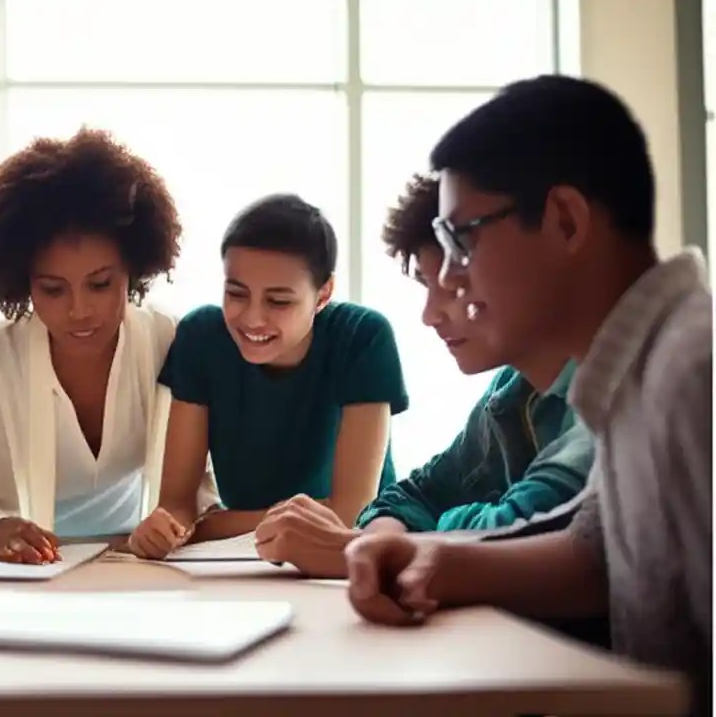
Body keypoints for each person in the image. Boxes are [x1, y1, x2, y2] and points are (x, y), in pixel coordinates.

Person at [343, 76, 711, 716]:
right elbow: (594, 557)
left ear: (565, 220)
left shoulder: (693, 370)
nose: (452, 277)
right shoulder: (632, 370)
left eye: (462, 239)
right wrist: (432, 561)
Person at [252, 174, 593, 578]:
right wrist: (377, 545)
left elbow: (526, 530)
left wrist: (363, 551)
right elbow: (411, 496)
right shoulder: (512, 391)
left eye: (456, 284)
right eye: (430, 285)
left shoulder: (613, 393)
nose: (430, 315)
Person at [0, 127, 218, 564]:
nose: (79, 310)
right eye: (53, 289)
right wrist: (4, 531)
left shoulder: (171, 339)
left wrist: (173, 527)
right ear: (24, 282)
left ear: (133, 269)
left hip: (143, 565)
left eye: (99, 284)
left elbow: (200, 491)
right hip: (41, 571)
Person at [128, 194, 408, 559]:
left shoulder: (361, 337)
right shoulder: (201, 337)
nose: (253, 319)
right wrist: (163, 531)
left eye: (278, 301)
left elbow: (347, 516)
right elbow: (179, 508)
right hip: (239, 560)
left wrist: (214, 524)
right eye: (236, 294)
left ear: (323, 294)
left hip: (347, 559)